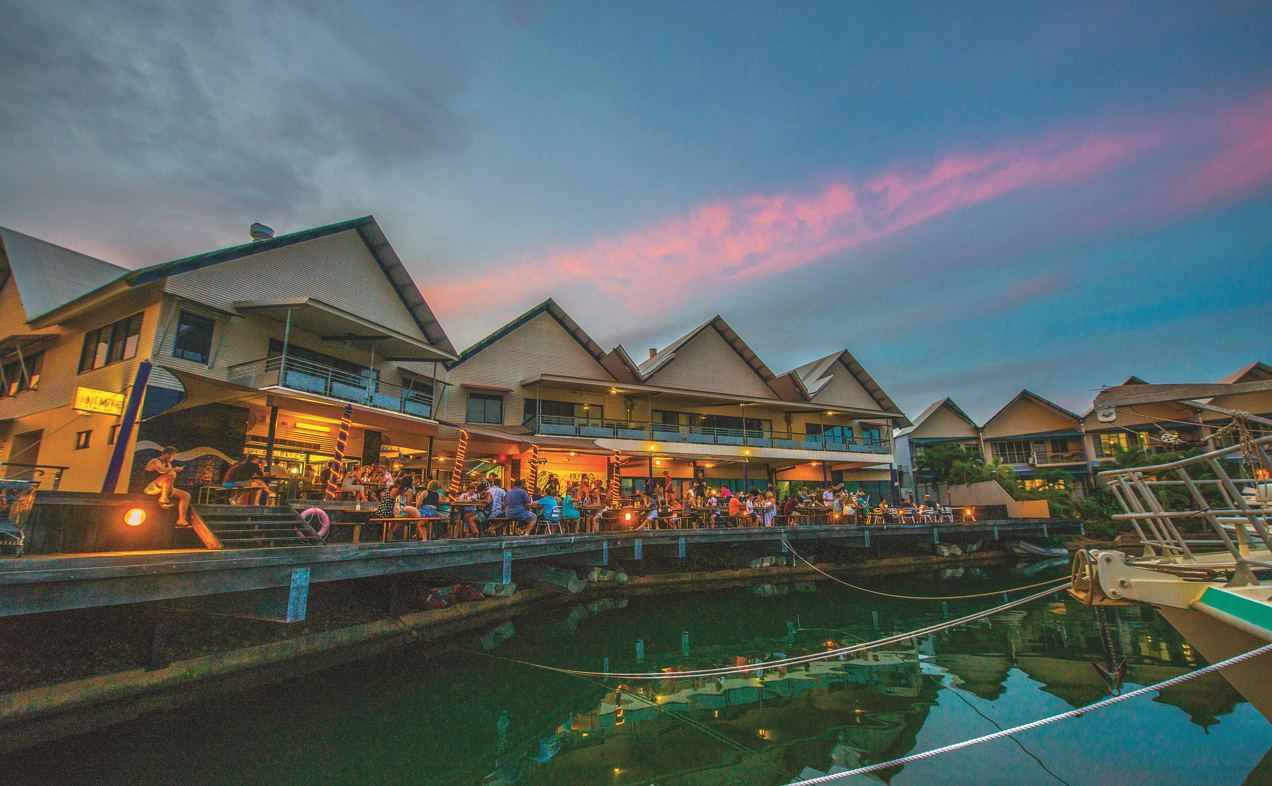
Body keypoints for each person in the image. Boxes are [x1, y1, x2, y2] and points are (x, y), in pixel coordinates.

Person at [144, 446, 191, 527]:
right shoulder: (155, 461)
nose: (173, 458)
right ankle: (163, 498)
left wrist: (171, 489)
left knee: (186, 495)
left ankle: (181, 520)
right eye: (173, 456)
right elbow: (161, 470)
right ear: (166, 454)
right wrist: (174, 469)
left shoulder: (168, 464)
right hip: (150, 488)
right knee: (172, 473)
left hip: (162, 488)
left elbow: (169, 480)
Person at [375, 476, 422, 541]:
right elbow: (409, 505)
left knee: (400, 518)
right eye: (413, 480)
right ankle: (391, 531)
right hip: (401, 511)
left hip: (395, 510)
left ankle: (390, 532)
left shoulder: (400, 489)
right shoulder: (409, 490)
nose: (414, 481)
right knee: (413, 517)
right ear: (410, 482)